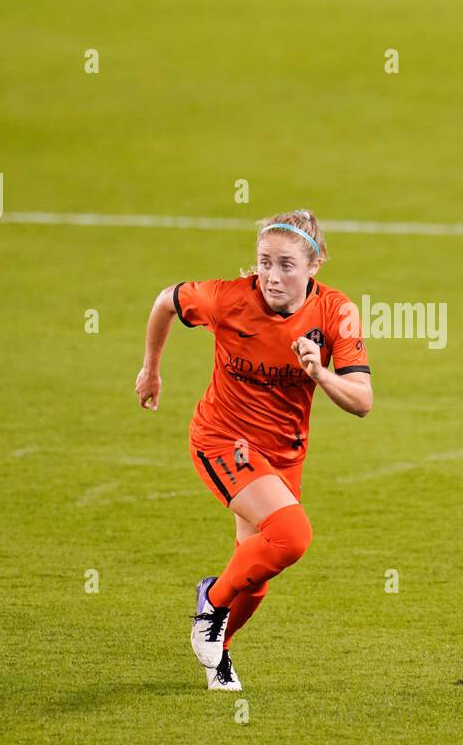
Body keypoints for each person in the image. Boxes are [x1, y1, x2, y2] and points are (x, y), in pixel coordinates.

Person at [134, 209, 373, 690]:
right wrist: (151, 369)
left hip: (283, 453)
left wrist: (319, 373)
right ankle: (211, 602)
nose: (272, 276)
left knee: (257, 572)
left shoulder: (336, 312)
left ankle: (218, 650)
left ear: (314, 266)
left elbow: (362, 402)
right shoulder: (226, 299)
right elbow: (165, 302)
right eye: (264, 262)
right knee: (291, 535)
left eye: (286, 264)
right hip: (223, 438)